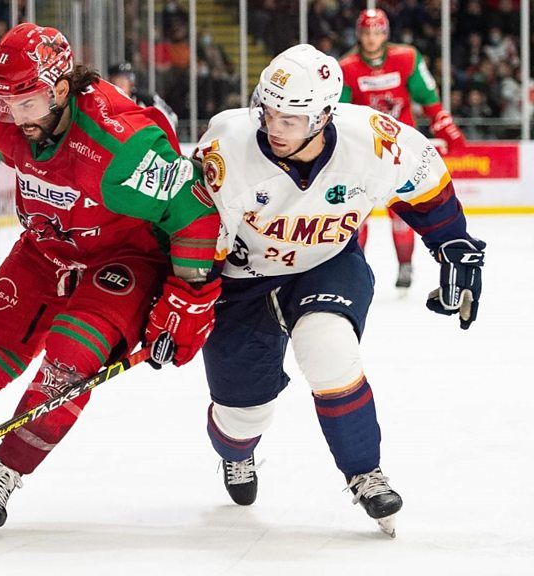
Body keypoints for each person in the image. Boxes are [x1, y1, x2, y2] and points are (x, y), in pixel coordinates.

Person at [0, 23, 220, 538]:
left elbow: (193, 211)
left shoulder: (121, 146)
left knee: (67, 368)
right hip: (45, 250)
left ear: (59, 88)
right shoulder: (4, 96)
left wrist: (189, 297)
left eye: (24, 104)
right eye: (3, 104)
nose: (11, 118)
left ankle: (6, 471)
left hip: (121, 258)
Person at [193, 44, 485, 537]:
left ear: (324, 115)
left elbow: (426, 182)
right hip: (241, 280)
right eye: (268, 111)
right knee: (243, 411)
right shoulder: (226, 143)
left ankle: (364, 471)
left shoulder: (371, 139)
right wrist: (177, 301)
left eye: (291, 119)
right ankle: (237, 452)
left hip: (326, 264)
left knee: (329, 347)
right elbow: (192, 233)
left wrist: (453, 245)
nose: (274, 127)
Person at [339, 9, 466, 289]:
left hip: (401, 149)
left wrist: (445, 124)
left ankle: (406, 265)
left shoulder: (406, 58)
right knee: (357, 214)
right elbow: (340, 114)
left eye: (377, 32)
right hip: (364, 152)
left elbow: (428, 96)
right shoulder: (346, 67)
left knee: (402, 213)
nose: (371, 39)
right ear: (359, 35)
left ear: (385, 34)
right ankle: (354, 265)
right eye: (366, 32)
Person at [107, 62, 179, 131]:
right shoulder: (104, 102)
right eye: (118, 79)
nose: (121, 83)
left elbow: (171, 118)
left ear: (132, 82)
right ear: (111, 81)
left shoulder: (147, 100)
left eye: (125, 78)